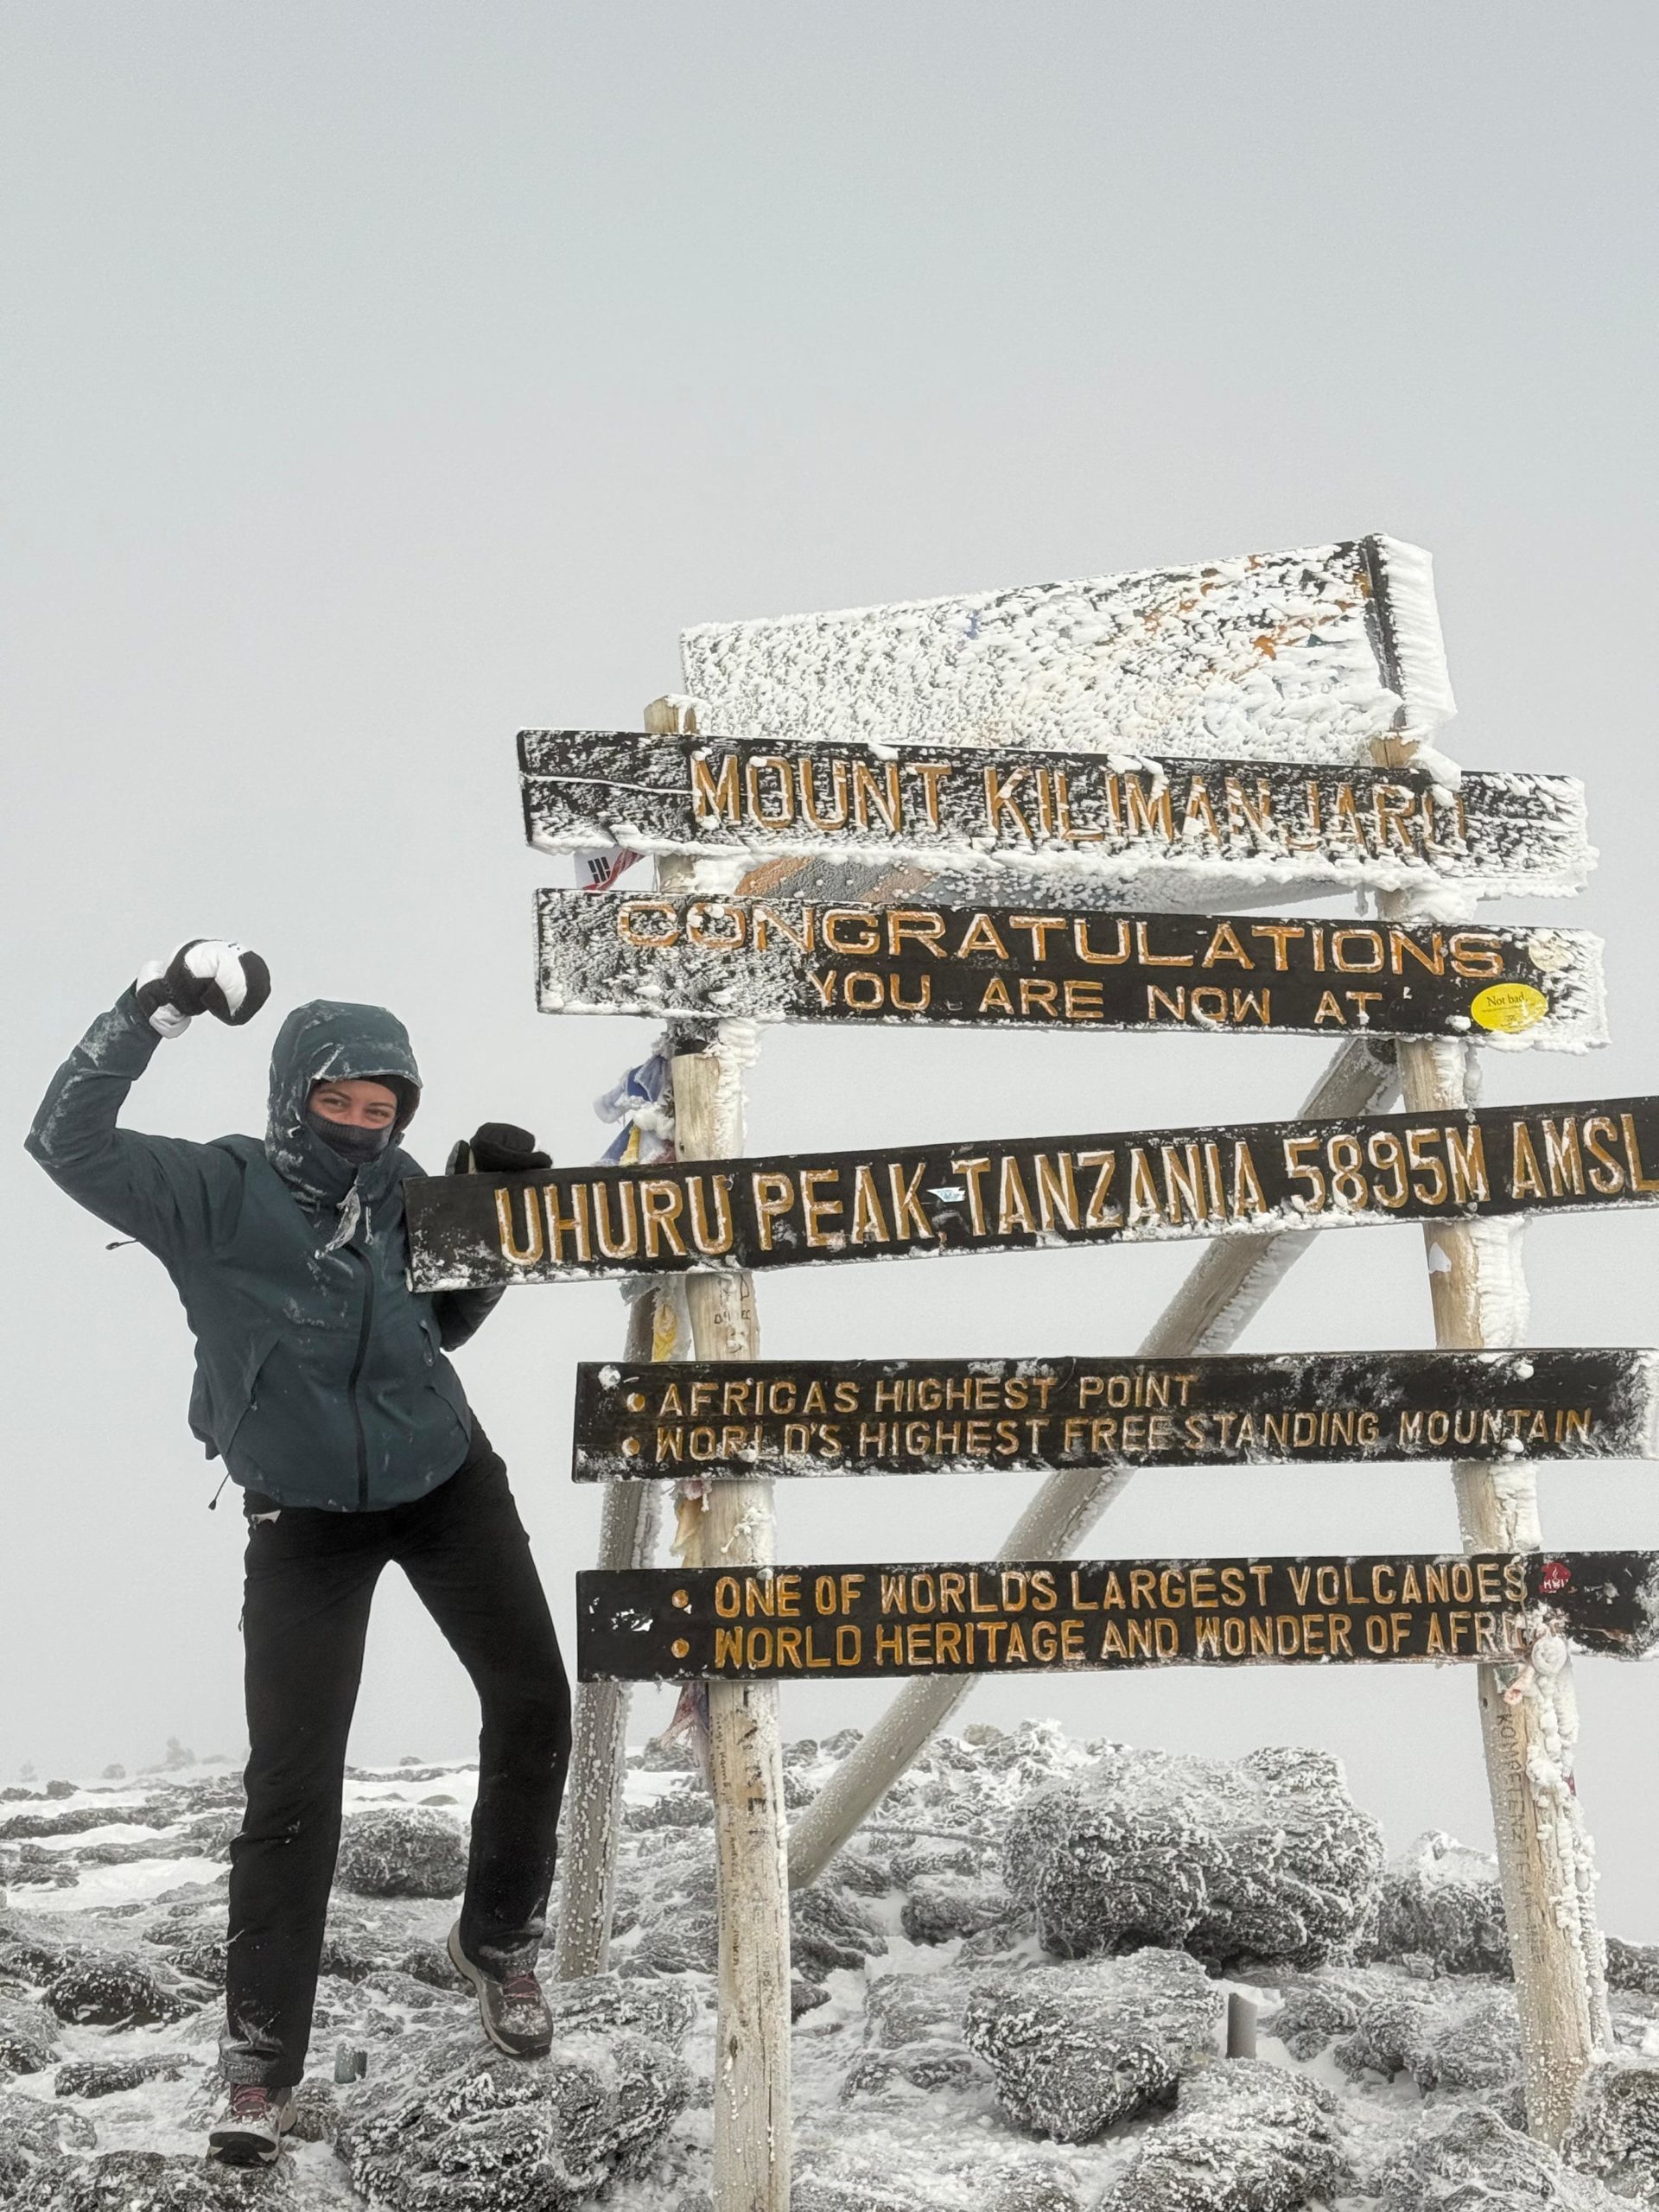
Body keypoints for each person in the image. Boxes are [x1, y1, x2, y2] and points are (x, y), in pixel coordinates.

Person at [26, 941, 572, 2168]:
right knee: (292, 1790)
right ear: (294, 1095)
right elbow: (64, 1142)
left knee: (534, 1701)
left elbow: (442, 1328)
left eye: (386, 1110)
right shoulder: (212, 1193)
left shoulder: (393, 1193)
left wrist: (484, 1217)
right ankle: (261, 2066)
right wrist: (154, 1004)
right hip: (301, 1522)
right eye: (342, 1102)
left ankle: (498, 1941)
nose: (365, 1127)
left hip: (446, 1485)